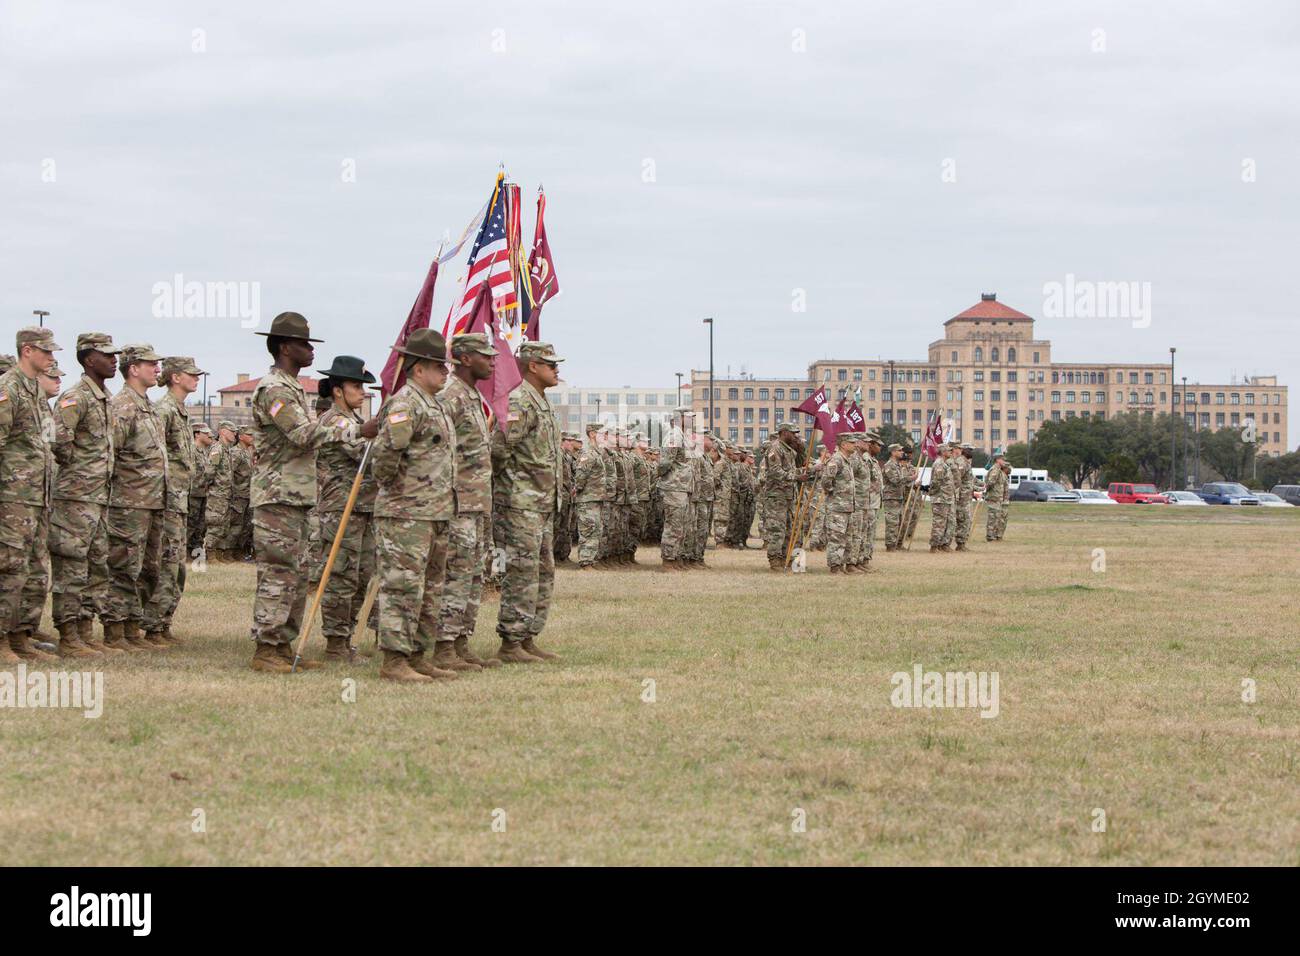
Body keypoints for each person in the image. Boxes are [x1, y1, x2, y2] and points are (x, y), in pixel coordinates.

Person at [248, 311, 378, 674]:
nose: (310, 350)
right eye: (305, 344)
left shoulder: (290, 387)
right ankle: (265, 648)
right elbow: (302, 435)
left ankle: (282, 645)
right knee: (278, 572)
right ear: (286, 347)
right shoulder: (273, 389)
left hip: (298, 494)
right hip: (278, 494)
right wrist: (357, 431)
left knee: (297, 573)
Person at [371, 329, 459, 682]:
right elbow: (386, 454)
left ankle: (419, 654)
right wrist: (399, 493)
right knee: (403, 586)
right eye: (439, 366)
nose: (445, 372)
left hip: (435, 511)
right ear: (418, 369)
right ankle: (395, 660)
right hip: (406, 512)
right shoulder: (406, 402)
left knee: (431, 587)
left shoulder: (434, 403)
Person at [48, 332, 123, 658]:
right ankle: (68, 635)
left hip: (99, 497)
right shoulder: (76, 396)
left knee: (96, 567)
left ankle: (84, 630)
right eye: (107, 355)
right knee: (72, 568)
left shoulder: (104, 397)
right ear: (89, 359)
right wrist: (78, 471)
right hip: (76, 498)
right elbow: (57, 438)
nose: (114, 359)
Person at [490, 341, 564, 662]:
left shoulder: (541, 402)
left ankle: (528, 636)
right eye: (550, 364)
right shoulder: (520, 400)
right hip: (520, 504)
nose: (556, 369)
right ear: (532, 366)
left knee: (541, 572)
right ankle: (511, 642)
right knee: (520, 570)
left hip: (540, 503)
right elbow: (499, 448)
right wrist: (509, 488)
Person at [436, 333, 501, 670]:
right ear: (463, 358)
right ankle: (443, 645)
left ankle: (461, 640)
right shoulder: (450, 397)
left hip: (477, 503)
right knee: (456, 573)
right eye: (485, 356)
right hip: (457, 502)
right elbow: (438, 450)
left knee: (474, 574)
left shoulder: (472, 397)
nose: (492, 361)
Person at [0, 327, 61, 665]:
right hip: (12, 497)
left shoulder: (35, 392)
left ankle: (20, 636)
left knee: (35, 569)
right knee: (8, 568)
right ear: (27, 351)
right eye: (46, 351)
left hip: (37, 496)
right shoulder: (8, 389)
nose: (52, 358)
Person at [313, 355, 379, 664]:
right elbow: (365, 453)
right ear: (338, 390)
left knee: (361, 576)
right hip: (341, 510)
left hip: (361, 509)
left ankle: (346, 638)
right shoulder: (335, 421)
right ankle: (335, 644)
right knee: (341, 578)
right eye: (356, 385)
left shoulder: (353, 421)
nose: (362, 391)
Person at [103, 344, 169, 652]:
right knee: (123, 566)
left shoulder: (147, 405)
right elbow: (110, 454)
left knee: (147, 568)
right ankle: (115, 631)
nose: (157, 369)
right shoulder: (123, 405)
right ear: (133, 368)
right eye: (151, 364)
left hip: (152, 500)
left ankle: (132, 629)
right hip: (128, 501)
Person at [144, 356, 205, 646]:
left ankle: (163, 623)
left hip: (180, 498)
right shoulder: (164, 409)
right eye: (191, 374)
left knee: (176, 564)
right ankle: (153, 626)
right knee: (166, 561)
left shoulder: (180, 410)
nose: (197, 378)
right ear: (175, 377)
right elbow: (156, 455)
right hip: (167, 498)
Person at [657, 408, 696, 572]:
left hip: (681, 487)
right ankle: (668, 561)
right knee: (673, 525)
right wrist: (665, 478)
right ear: (679, 419)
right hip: (674, 487)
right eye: (689, 418)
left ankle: (675, 558)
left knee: (681, 525)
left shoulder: (682, 436)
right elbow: (665, 462)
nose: (692, 421)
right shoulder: (674, 435)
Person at [762, 422, 804, 571]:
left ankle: (786, 558)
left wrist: (808, 472)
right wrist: (798, 477)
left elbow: (794, 470)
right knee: (777, 529)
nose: (795, 436)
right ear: (784, 432)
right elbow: (775, 472)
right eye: (792, 433)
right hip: (776, 496)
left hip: (788, 496)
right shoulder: (775, 448)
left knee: (788, 529)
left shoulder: (789, 451)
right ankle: (774, 560)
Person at [820, 432, 859, 573]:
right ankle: (835, 567)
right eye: (852, 442)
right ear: (843, 444)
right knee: (836, 538)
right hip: (837, 506)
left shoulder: (847, 460)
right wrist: (833, 493)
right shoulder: (836, 460)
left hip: (847, 507)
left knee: (846, 538)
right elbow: (825, 480)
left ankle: (843, 565)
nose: (855, 445)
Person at [203, 421, 238, 560]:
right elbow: (209, 472)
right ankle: (209, 554)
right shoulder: (217, 449)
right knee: (215, 523)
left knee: (223, 525)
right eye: (232, 431)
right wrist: (214, 488)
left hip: (226, 494)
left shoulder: (227, 449)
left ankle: (217, 554)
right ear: (222, 432)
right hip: (218, 494)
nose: (235, 434)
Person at [575, 422, 606, 570]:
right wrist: (579, 488)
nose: (605, 437)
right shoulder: (588, 452)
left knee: (596, 530)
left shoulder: (598, 452)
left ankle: (591, 560)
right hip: (587, 498)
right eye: (602, 434)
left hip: (596, 498)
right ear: (592, 434)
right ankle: (585, 562)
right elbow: (581, 475)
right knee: (588, 529)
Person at [188, 423, 214, 558]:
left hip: (203, 492)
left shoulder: (204, 451)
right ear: (197, 434)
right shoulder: (191, 450)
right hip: (193, 493)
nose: (209, 435)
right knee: (190, 523)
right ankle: (186, 551)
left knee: (201, 525)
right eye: (205, 433)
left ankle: (196, 552)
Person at [928, 442, 959, 552]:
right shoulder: (939, 464)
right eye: (949, 450)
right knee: (939, 523)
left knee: (949, 522)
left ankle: (943, 544)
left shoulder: (944, 464)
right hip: (940, 498)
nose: (951, 452)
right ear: (943, 452)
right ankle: (934, 546)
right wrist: (936, 494)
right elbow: (936, 482)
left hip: (947, 498)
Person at [881, 443, 907, 551]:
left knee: (900, 522)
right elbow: (895, 480)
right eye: (899, 450)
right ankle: (890, 545)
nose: (902, 452)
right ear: (893, 452)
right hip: (891, 498)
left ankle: (898, 543)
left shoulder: (897, 465)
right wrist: (910, 477)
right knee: (892, 523)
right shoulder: (889, 465)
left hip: (898, 497)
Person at [954, 443, 975, 551]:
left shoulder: (966, 462)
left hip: (966, 497)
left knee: (966, 520)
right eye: (969, 449)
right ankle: (960, 544)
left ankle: (961, 543)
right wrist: (957, 495)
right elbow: (957, 480)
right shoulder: (961, 462)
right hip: (962, 498)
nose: (971, 451)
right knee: (964, 520)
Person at [984, 451, 1010, 541]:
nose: (1004, 462)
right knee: (992, 517)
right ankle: (990, 536)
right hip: (993, 497)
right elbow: (990, 482)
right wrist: (986, 490)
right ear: (998, 460)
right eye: (1002, 460)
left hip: (997, 497)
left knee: (996, 517)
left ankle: (993, 535)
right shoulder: (995, 469)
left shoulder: (998, 469)